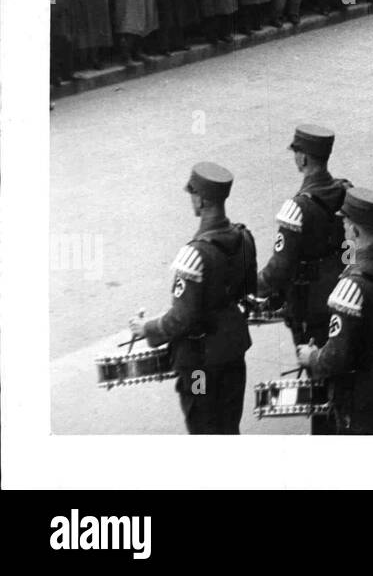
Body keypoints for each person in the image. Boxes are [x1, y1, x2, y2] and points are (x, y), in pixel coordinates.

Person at [129, 162, 257, 435]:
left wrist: (147, 329)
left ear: (200, 199)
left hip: (201, 367)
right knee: (229, 424)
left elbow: (181, 318)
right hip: (233, 353)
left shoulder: (194, 255)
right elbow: (248, 288)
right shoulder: (245, 239)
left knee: (204, 426)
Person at [295, 186, 373, 435]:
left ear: (353, 230)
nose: (343, 228)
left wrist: (311, 357)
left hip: (361, 395)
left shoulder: (351, 289)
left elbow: (335, 357)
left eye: (345, 224)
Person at [254, 124, 349, 435]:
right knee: (340, 369)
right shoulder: (345, 190)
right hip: (343, 292)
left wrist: (247, 284)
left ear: (304, 158)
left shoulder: (297, 208)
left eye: (296, 152)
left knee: (318, 381)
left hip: (310, 307)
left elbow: (278, 270)